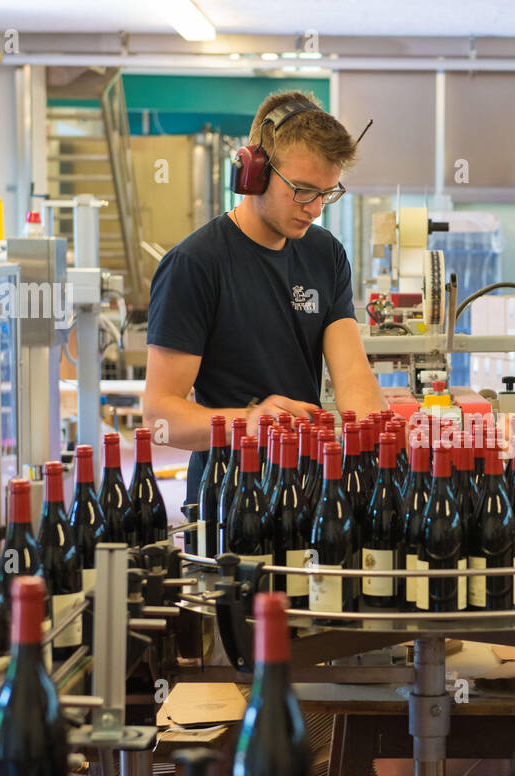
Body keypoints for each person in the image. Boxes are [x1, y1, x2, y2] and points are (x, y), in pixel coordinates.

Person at [142, 90, 385, 505]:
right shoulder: (194, 264)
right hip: (229, 496)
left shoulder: (325, 254)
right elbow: (160, 417)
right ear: (253, 172)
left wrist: (376, 439)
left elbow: (353, 377)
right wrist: (250, 422)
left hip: (309, 487)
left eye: (327, 193)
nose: (315, 209)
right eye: (303, 190)